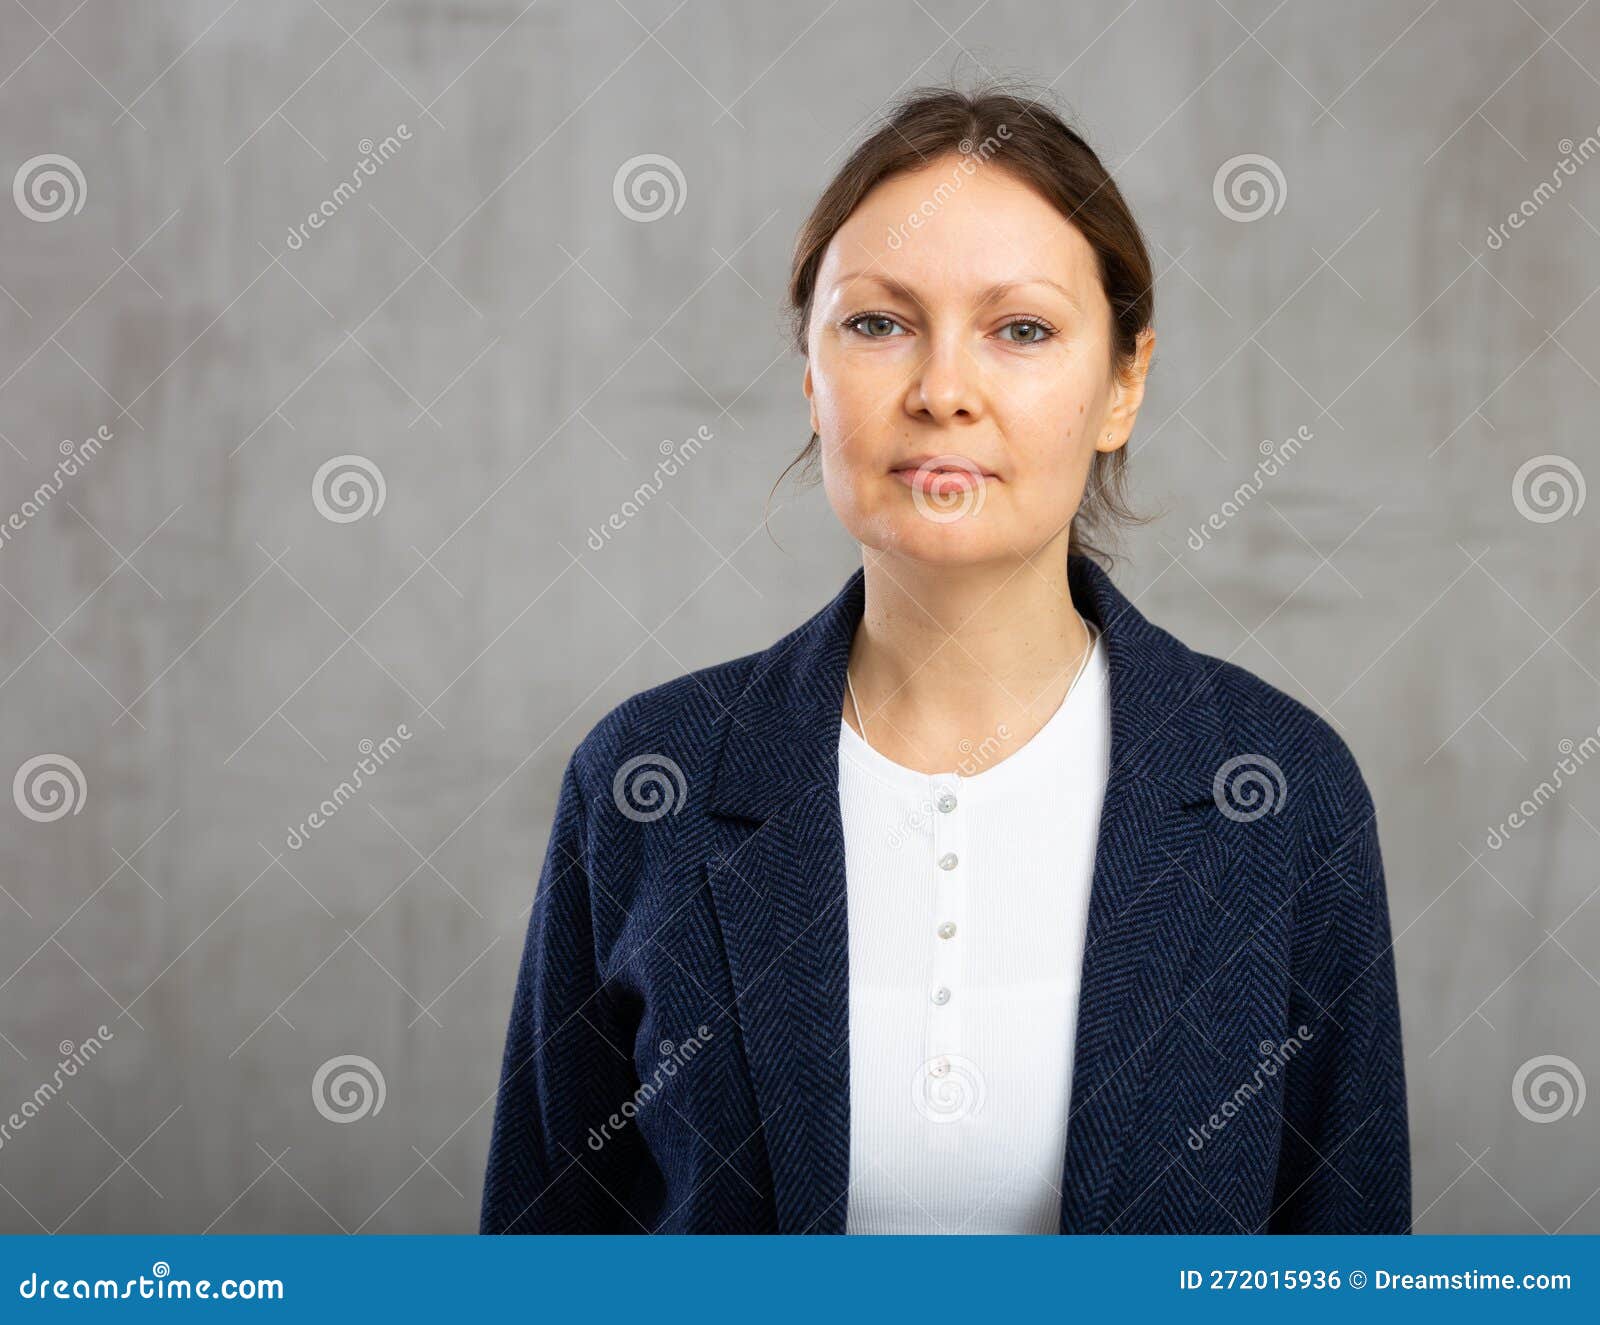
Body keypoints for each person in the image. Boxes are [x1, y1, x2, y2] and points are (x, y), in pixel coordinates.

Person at [479, 83, 1410, 1235]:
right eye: (877, 324)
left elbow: (1352, 1264)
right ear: (811, 375)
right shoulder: (644, 780)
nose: (941, 392)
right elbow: (539, 1259)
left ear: (1122, 380)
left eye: (1021, 329)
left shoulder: (1278, 788)